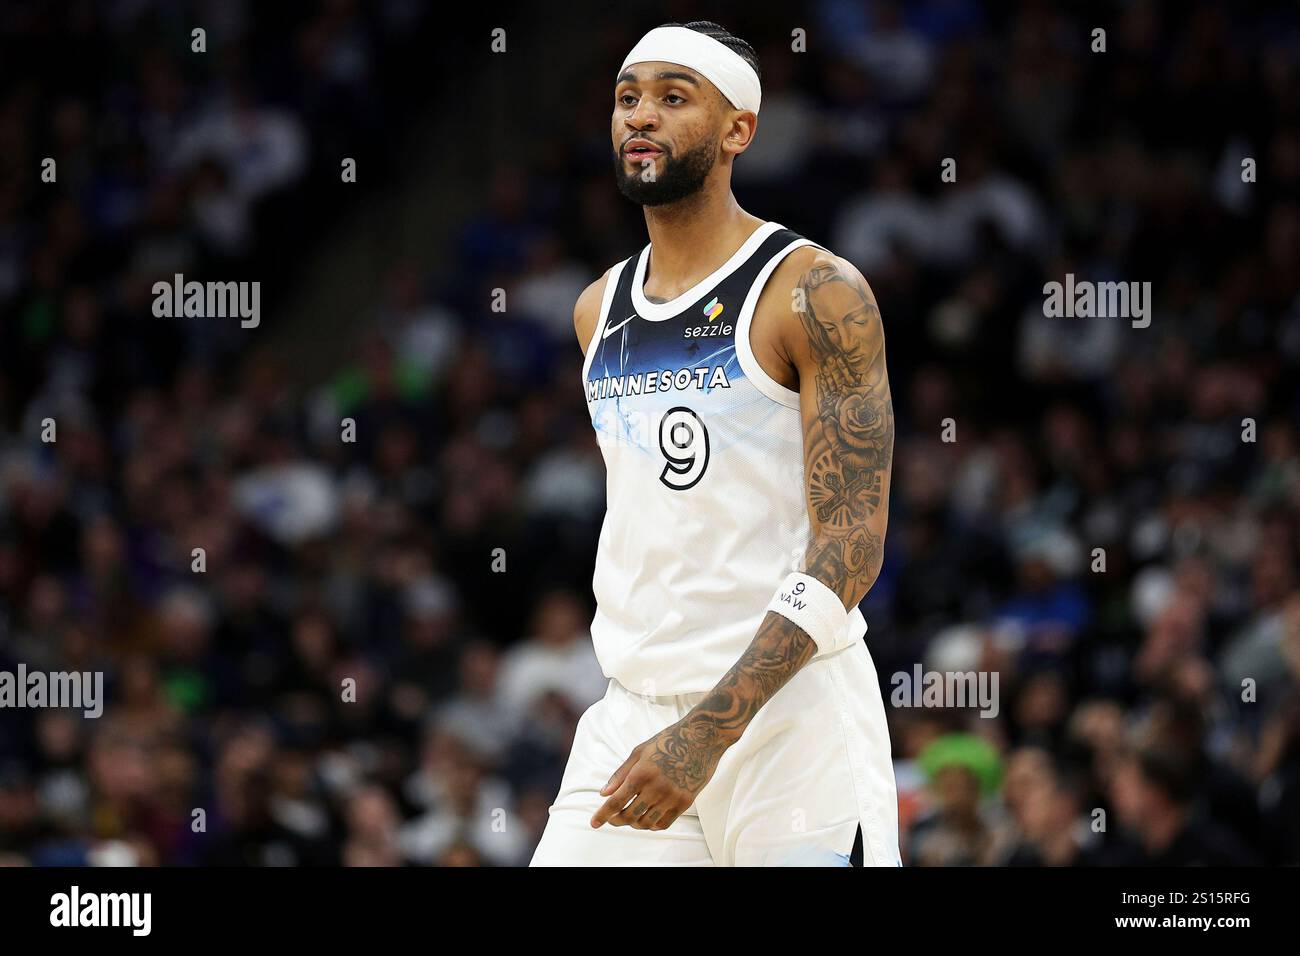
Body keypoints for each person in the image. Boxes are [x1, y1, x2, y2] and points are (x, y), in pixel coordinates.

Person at [529, 21, 900, 866]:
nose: (640, 118)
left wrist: (712, 729)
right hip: (635, 706)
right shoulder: (598, 310)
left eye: (672, 97)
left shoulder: (813, 290)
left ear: (739, 129)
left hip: (789, 713)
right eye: (627, 99)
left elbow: (850, 545)